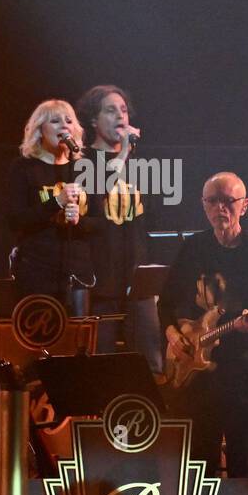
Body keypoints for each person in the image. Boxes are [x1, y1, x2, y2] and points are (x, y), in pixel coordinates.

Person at [159, 173, 248, 477]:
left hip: (246, 377)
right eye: (213, 201)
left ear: (245, 206)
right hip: (198, 383)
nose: (220, 208)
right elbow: (166, 303)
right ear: (203, 205)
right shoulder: (193, 248)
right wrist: (173, 335)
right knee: (200, 468)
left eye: (228, 201)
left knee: (244, 468)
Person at [7, 99, 100, 312]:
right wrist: (55, 202)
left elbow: (102, 222)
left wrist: (79, 221)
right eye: (55, 121)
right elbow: (16, 220)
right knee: (42, 338)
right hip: (37, 271)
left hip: (78, 274)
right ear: (40, 130)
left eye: (69, 120)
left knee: (79, 341)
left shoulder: (83, 168)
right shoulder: (25, 168)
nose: (64, 126)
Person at [75, 84, 147, 350]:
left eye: (124, 110)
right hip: (100, 283)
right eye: (110, 110)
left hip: (138, 284)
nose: (120, 116)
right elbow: (96, 194)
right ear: (93, 119)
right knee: (102, 360)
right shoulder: (82, 161)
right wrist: (125, 153)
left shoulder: (137, 162)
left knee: (148, 363)